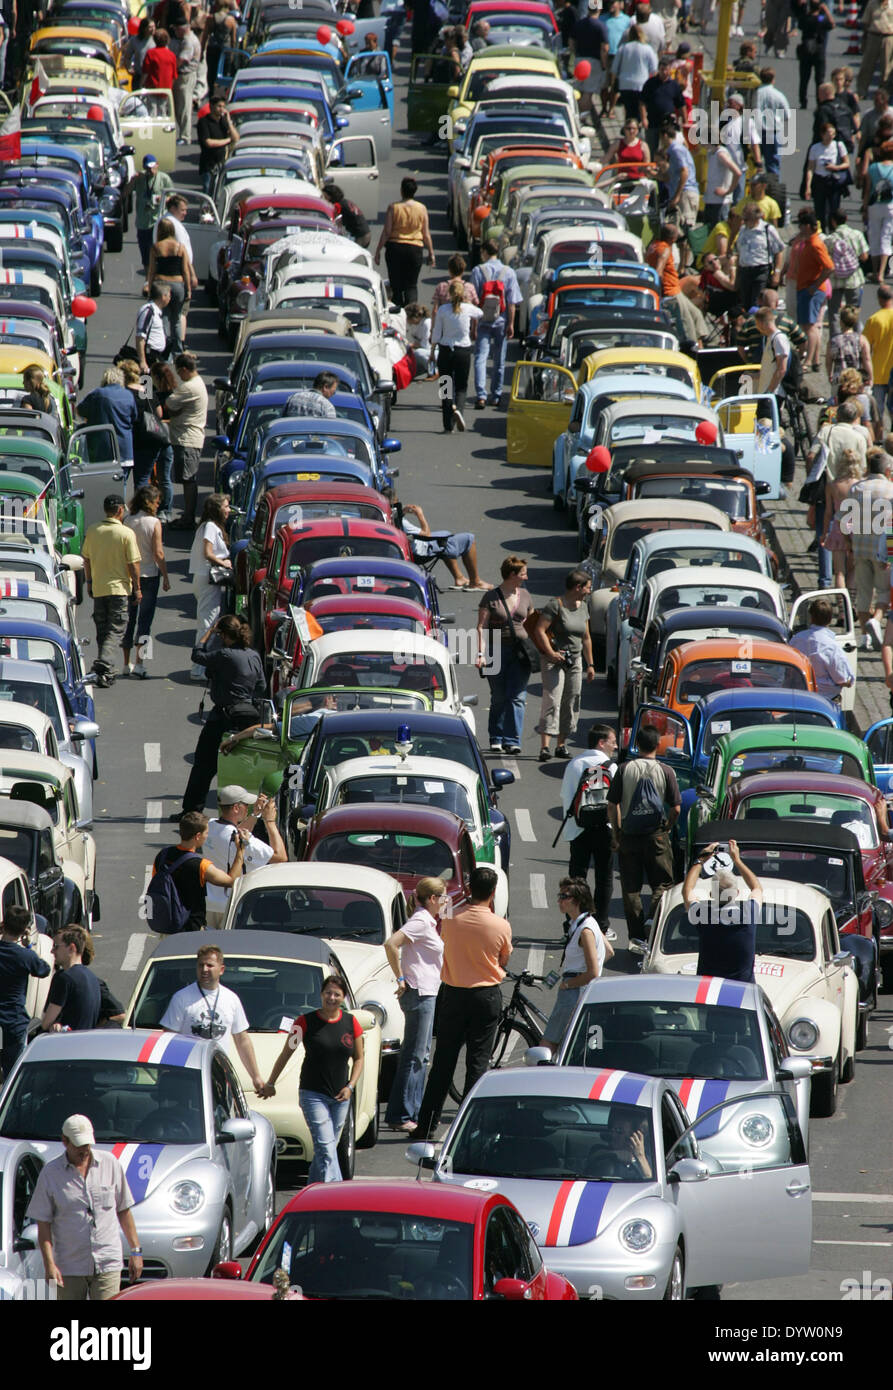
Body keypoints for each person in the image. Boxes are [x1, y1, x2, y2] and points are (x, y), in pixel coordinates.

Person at [413, 867, 511, 1142]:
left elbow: (441, 908)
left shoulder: (451, 916)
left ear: (469, 889)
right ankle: (470, 1130)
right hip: (486, 996)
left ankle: (426, 1125)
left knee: (443, 1062)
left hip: (453, 994)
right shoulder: (500, 925)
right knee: (478, 1063)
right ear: (492, 894)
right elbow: (503, 960)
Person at [26, 1114, 142, 1302]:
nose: (84, 1150)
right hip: (69, 1266)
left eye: (87, 1144)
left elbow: (124, 1210)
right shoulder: (50, 1174)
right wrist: (49, 1265)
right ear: (65, 1141)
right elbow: (43, 1224)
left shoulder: (110, 1163)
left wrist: (136, 1251)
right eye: (79, 1145)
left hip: (107, 1261)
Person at [260, 973, 364, 1183]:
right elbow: (286, 1053)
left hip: (341, 1097)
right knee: (326, 1148)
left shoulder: (351, 1023)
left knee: (326, 1148)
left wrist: (350, 1087)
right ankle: (333, 1196)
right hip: (312, 1094)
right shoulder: (304, 1022)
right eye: (328, 993)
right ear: (321, 994)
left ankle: (312, 1192)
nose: (331, 998)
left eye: (336, 994)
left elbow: (360, 1058)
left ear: (343, 997)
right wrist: (270, 1083)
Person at [176, 615, 265, 816]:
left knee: (203, 765)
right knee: (243, 768)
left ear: (223, 635)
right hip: (247, 719)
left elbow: (197, 655)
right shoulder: (253, 655)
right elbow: (262, 686)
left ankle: (192, 811)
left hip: (222, 717)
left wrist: (209, 632)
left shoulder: (224, 655)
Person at [383, 876, 446, 1132]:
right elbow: (391, 944)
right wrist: (400, 977)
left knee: (421, 1056)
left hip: (427, 992)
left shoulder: (427, 920)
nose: (445, 902)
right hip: (419, 992)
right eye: (442, 898)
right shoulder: (420, 921)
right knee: (414, 1056)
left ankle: (414, 1110)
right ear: (432, 899)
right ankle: (401, 1114)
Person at [606, 723, 681, 940]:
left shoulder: (624, 769)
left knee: (631, 888)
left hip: (629, 836)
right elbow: (676, 808)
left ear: (636, 744)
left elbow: (612, 805)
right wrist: (668, 827)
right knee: (664, 883)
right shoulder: (666, 771)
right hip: (656, 836)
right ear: (658, 744)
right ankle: (653, 919)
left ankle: (636, 936)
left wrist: (616, 834)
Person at [160, 944, 266, 1084]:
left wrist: (256, 1076)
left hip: (219, 1072)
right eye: (200, 965)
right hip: (187, 1071)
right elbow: (169, 1037)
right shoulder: (181, 998)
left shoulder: (231, 999)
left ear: (221, 969)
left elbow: (242, 1040)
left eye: (209, 965)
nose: (204, 969)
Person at [542, 878, 612, 1055]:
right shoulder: (587, 922)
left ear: (578, 900)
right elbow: (609, 951)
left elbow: (593, 972)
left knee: (549, 1042)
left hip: (573, 991)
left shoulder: (585, 931)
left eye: (564, 896)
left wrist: (568, 984)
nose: (559, 900)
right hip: (582, 990)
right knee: (568, 1043)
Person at [202, 786, 286, 928]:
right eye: (246, 805)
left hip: (208, 901)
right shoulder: (241, 840)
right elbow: (280, 857)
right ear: (236, 807)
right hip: (231, 905)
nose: (248, 808)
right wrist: (270, 822)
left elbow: (236, 829)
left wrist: (255, 815)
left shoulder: (209, 826)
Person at [560, 723, 618, 928]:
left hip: (578, 829)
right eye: (612, 742)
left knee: (577, 878)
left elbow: (566, 797)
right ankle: (601, 924)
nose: (616, 746)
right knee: (604, 878)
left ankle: (574, 923)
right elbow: (616, 803)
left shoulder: (574, 764)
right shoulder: (611, 767)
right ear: (601, 743)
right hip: (605, 830)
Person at [535, 569, 597, 762]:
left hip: (575, 660)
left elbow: (586, 637)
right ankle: (545, 746)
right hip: (554, 660)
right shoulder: (556, 605)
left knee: (571, 700)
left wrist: (591, 664)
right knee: (553, 699)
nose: (589, 590)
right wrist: (551, 653)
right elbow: (539, 630)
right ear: (577, 587)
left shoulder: (584, 606)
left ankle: (561, 744)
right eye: (587, 587)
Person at [81, 494, 142, 688]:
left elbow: (87, 559)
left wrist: (89, 582)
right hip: (119, 589)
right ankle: (105, 662)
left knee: (102, 628)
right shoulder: (126, 533)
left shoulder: (93, 530)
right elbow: (133, 564)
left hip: (99, 588)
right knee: (116, 628)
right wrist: (138, 588)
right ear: (120, 510)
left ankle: (104, 670)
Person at [683, 840, 763, 982]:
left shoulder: (703, 916)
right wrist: (736, 860)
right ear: (737, 892)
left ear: (711, 895)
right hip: (743, 991)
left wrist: (700, 860)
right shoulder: (749, 913)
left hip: (707, 991)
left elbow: (687, 891)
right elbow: (756, 888)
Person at [476, 556, 533, 754]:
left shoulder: (525, 595)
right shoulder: (491, 598)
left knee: (517, 697)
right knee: (499, 696)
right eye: (523, 573)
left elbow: (533, 624)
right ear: (512, 575)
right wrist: (480, 654)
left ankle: (512, 739)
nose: (526, 576)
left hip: (521, 652)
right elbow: (481, 627)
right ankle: (496, 737)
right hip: (495, 651)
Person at [152, 811, 244, 928]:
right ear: (198, 836)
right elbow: (231, 881)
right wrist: (240, 850)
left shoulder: (163, 855)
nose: (207, 836)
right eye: (206, 833)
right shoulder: (201, 865)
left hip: (167, 924)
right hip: (191, 928)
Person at [390, 490, 489, 589]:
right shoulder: (403, 523)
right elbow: (427, 535)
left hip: (406, 550)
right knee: (469, 539)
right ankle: (475, 582)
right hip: (420, 551)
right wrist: (420, 514)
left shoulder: (387, 519)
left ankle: (459, 578)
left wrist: (402, 512)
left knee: (446, 535)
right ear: (395, 503)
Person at [844, 449, 893, 647]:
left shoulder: (856, 489)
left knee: (863, 592)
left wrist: (849, 542)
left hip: (860, 546)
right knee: (883, 591)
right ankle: (877, 619)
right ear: (887, 470)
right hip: (881, 548)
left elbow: (844, 520)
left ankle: (864, 635)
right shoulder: (890, 490)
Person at [123, 486, 169, 678]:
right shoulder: (154, 522)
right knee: (145, 621)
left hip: (129, 575)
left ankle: (126, 664)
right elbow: (158, 553)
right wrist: (166, 575)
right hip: (149, 575)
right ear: (149, 502)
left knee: (129, 619)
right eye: (157, 502)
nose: (158, 505)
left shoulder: (127, 520)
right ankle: (141, 662)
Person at [469, 240, 521, 409]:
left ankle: (481, 395)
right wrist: (511, 324)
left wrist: (473, 325)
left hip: (483, 320)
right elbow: (512, 302)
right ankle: (496, 395)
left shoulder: (478, 271)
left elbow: (473, 301)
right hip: (501, 321)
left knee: (480, 358)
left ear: (484, 251)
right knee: (499, 359)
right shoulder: (509, 272)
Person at [0, 905, 49, 1079]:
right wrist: (28, 947)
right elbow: (44, 970)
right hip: (14, 1022)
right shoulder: (24, 957)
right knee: (13, 1074)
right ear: (24, 930)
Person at [374, 177, 435, 309]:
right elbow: (426, 234)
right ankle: (412, 313)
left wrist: (378, 250)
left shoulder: (394, 208)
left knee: (396, 285)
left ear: (401, 191)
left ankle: (397, 312)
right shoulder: (421, 208)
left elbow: (387, 232)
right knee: (411, 285)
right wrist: (431, 252)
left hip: (395, 248)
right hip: (415, 249)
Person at [188, 492, 231, 679]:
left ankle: (201, 667)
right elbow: (208, 553)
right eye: (226, 506)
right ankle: (198, 669)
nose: (229, 510)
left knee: (209, 622)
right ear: (217, 509)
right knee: (207, 625)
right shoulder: (211, 527)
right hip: (207, 579)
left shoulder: (208, 526)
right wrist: (225, 563)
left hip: (204, 579)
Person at [432, 279, 483, 433]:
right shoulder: (467, 309)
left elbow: (436, 332)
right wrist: (467, 302)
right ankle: (459, 410)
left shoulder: (443, 310)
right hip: (463, 351)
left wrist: (433, 347)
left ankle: (448, 425)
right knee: (461, 386)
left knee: (446, 386)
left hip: (446, 350)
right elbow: (480, 313)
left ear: (449, 294)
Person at [165, 352, 208, 529]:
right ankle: (188, 516)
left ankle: (188, 518)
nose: (179, 377)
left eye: (179, 372)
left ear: (184, 369)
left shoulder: (190, 387)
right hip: (190, 438)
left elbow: (169, 404)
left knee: (188, 479)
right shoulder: (197, 384)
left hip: (187, 439)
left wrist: (174, 412)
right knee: (188, 479)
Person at [790, 596, 856, 701]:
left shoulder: (796, 639)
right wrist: (849, 682)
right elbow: (841, 678)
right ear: (830, 619)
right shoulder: (832, 646)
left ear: (811, 617)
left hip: (799, 696)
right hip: (826, 699)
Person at [794, 207, 834, 373]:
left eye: (802, 225)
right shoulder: (809, 242)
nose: (800, 228)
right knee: (811, 326)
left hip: (811, 290)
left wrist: (815, 286)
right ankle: (815, 359)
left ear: (809, 226)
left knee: (809, 327)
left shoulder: (816, 244)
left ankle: (808, 361)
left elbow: (829, 267)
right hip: (805, 288)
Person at [40, 926, 101, 1032]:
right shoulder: (92, 978)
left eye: (56, 946)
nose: (52, 951)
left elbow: (46, 1023)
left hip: (67, 1042)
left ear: (72, 948)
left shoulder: (64, 978)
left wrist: (53, 1024)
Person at [79, 366, 140, 471]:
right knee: (121, 484)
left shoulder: (98, 393)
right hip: (125, 450)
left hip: (102, 449)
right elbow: (134, 417)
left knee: (102, 484)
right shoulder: (128, 395)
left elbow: (80, 410)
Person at [147, 219, 192, 356]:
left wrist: (150, 288)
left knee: (164, 318)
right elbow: (185, 270)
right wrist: (188, 289)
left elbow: (151, 270)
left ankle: (165, 352)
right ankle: (178, 351)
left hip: (161, 284)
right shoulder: (180, 247)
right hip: (178, 284)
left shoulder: (156, 247)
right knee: (177, 318)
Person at [734, 204, 785, 310]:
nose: (745, 221)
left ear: (756, 218)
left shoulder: (767, 229)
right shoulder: (743, 230)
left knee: (757, 303)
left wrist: (777, 273)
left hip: (761, 270)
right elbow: (739, 252)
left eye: (747, 219)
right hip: (745, 270)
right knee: (744, 303)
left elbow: (779, 251)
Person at [805, 121, 851, 231]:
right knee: (820, 210)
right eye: (828, 133)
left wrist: (836, 167)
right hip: (820, 180)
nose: (831, 136)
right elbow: (810, 168)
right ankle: (821, 232)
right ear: (822, 134)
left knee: (834, 210)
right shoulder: (815, 148)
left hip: (833, 180)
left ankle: (833, 231)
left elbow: (847, 163)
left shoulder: (839, 145)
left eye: (833, 134)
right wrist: (808, 186)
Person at [133, 155, 174, 275]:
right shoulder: (140, 178)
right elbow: (125, 194)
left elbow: (174, 197)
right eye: (148, 168)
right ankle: (148, 281)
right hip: (142, 223)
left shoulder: (164, 178)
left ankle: (156, 278)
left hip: (157, 223)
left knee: (157, 253)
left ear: (157, 165)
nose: (151, 171)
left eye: (152, 167)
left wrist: (163, 198)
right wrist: (132, 181)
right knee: (145, 256)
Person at [791, 0, 834, 108]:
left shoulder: (806, 18)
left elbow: (800, 24)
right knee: (819, 78)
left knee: (804, 78)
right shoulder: (820, 19)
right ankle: (819, 101)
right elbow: (832, 24)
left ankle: (803, 101)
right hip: (818, 49)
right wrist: (826, 11)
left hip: (806, 49)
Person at [571, 0, 610, 119]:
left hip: (579, 60)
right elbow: (604, 48)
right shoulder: (601, 26)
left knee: (579, 90)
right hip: (593, 62)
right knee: (588, 92)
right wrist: (604, 65)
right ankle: (580, 118)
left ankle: (575, 113)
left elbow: (571, 43)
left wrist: (576, 55)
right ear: (599, 9)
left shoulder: (579, 24)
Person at [612, 24, 657, 123]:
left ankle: (629, 128)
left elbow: (614, 69)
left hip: (625, 84)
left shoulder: (623, 48)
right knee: (640, 110)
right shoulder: (648, 49)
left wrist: (613, 84)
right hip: (642, 84)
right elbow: (653, 69)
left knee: (629, 110)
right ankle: (636, 128)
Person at [641, 55, 685, 153]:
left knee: (669, 149)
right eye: (662, 69)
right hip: (652, 122)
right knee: (651, 148)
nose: (664, 72)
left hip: (668, 123)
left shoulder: (674, 85)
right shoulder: (650, 83)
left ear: (670, 70)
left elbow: (681, 104)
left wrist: (685, 121)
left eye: (666, 70)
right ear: (658, 69)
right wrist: (644, 118)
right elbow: (642, 102)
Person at [197, 93, 238, 196]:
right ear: (211, 106)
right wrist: (227, 140)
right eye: (219, 106)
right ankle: (205, 210)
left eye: (223, 107)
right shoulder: (204, 122)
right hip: (208, 164)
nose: (221, 109)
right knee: (208, 191)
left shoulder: (223, 121)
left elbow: (236, 138)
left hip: (222, 163)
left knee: (220, 192)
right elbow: (209, 142)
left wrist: (229, 121)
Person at [753, 67, 791, 176]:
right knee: (773, 165)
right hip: (772, 132)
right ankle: (773, 189)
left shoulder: (755, 94)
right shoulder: (778, 95)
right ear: (773, 79)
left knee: (754, 163)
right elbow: (787, 115)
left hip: (755, 132)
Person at [866, 284, 893, 428]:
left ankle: (879, 441)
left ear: (879, 299)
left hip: (878, 372)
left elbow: (865, 348)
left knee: (877, 412)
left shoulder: (874, 319)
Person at [171, 20, 201, 143]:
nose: (175, 32)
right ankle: (183, 134)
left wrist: (170, 68)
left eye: (176, 29)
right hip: (185, 75)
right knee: (180, 107)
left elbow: (182, 59)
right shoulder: (187, 39)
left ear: (182, 28)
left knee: (184, 106)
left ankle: (185, 136)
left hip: (185, 75)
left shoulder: (188, 41)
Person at [828, 306, 873, 390]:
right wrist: (870, 378)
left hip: (839, 380)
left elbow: (829, 361)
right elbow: (867, 360)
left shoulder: (833, 341)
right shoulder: (862, 339)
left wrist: (830, 374)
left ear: (840, 321)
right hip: (857, 379)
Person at [755, 306, 793, 396]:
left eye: (757, 324)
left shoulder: (779, 338)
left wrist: (770, 391)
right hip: (765, 393)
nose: (757, 327)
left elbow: (782, 369)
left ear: (762, 323)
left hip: (774, 393)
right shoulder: (769, 338)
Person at [859, 0, 893, 99]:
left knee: (887, 68)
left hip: (889, 37)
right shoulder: (872, 3)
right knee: (867, 66)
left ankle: (883, 93)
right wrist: (864, 39)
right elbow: (866, 22)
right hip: (873, 35)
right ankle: (862, 91)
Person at [135, 281, 171, 371]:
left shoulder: (156, 311)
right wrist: (143, 362)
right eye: (169, 296)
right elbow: (140, 337)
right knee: (147, 384)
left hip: (157, 357)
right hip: (149, 358)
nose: (170, 298)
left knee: (157, 384)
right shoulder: (148, 311)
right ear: (163, 297)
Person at [322, 183, 370, 248]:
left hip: (360, 236)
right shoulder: (345, 202)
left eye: (325, 196)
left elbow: (336, 223)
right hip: (366, 233)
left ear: (330, 196)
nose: (324, 198)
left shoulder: (338, 206)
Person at [204, 0, 238, 92]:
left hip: (212, 49)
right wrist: (232, 54)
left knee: (211, 72)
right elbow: (233, 40)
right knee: (224, 72)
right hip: (225, 50)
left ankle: (212, 90)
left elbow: (205, 36)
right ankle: (222, 91)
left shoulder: (211, 18)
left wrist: (202, 49)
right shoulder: (231, 20)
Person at [124, 16, 155, 85]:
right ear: (144, 28)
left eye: (154, 26)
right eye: (150, 27)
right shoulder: (135, 40)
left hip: (152, 77)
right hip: (138, 75)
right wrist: (129, 68)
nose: (153, 29)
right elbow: (127, 56)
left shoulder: (156, 40)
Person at [404, 303, 432, 374]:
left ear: (413, 317)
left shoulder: (426, 323)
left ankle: (433, 370)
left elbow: (426, 346)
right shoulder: (414, 324)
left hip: (432, 351)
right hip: (422, 350)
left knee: (419, 353)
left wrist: (412, 345)